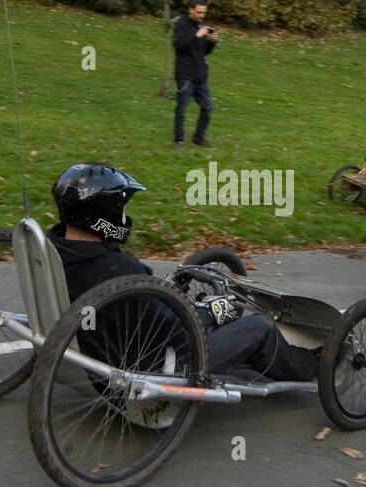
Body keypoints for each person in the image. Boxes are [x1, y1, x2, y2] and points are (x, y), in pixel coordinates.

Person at [47, 162, 319, 381]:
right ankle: (315, 365)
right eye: (121, 208)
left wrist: (158, 292)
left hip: (97, 357)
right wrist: (210, 312)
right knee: (258, 328)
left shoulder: (56, 256)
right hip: (155, 369)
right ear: (102, 216)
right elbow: (176, 327)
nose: (123, 216)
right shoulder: (118, 270)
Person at [172, 0, 218, 149]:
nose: (201, 15)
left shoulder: (200, 25)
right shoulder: (180, 25)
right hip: (185, 74)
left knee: (208, 107)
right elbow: (179, 46)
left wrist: (211, 42)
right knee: (182, 108)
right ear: (190, 10)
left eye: (203, 13)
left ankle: (199, 138)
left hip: (200, 76)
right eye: (199, 12)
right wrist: (197, 35)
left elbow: (203, 51)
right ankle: (179, 140)